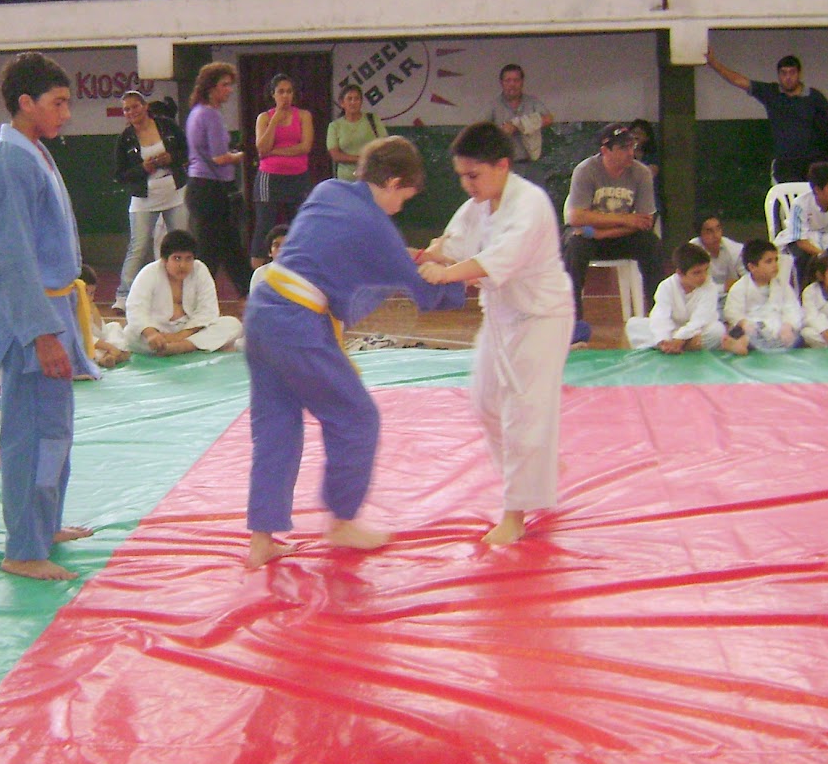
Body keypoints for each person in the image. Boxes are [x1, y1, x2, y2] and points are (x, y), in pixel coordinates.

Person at [244, 137, 466, 567]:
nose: (399, 208)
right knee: (356, 416)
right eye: (404, 197)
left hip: (263, 313)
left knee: (276, 426)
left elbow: (351, 251)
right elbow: (423, 290)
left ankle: (261, 539)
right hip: (297, 327)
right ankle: (343, 520)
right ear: (394, 182)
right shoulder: (376, 227)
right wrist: (461, 276)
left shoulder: (329, 190)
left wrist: (416, 255)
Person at [0, 53, 99, 581]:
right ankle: (22, 549)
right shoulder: (8, 162)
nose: (66, 113)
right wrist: (42, 334)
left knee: (55, 429)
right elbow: (9, 258)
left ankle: (44, 525)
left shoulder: (34, 153)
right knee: (29, 437)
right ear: (26, 103)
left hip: (54, 307)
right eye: (58, 103)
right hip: (31, 317)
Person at [413, 121, 574, 543]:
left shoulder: (530, 204)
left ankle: (515, 515)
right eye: (461, 176)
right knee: (485, 403)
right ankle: (537, 473)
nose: (467, 185)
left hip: (542, 317)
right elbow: (449, 244)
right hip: (501, 315)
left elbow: (496, 259)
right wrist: (417, 256)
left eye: (474, 175)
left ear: (502, 165)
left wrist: (446, 273)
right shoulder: (478, 205)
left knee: (523, 412)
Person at [562, 123, 660, 347]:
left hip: (612, 236)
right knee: (574, 247)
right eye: (623, 148)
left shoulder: (641, 173)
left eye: (632, 146)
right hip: (587, 237)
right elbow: (575, 217)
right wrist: (625, 219)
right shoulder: (586, 170)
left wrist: (601, 232)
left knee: (651, 244)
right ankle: (573, 324)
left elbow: (645, 221)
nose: (630, 153)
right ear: (605, 150)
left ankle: (658, 318)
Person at [704, 50, 828, 184]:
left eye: (792, 72)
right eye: (783, 73)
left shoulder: (814, 97)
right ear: (778, 75)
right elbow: (739, 81)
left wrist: (821, 133)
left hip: (813, 165)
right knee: (783, 197)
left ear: (799, 74)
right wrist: (713, 63)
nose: (788, 77)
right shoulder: (771, 93)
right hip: (784, 165)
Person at [113, 89, 189, 307]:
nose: (132, 112)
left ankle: (181, 290)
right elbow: (120, 175)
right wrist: (143, 168)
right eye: (126, 109)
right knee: (138, 246)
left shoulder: (167, 126)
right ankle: (124, 295)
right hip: (144, 198)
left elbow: (186, 151)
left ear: (145, 106)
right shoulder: (125, 139)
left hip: (174, 193)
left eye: (135, 106)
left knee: (180, 242)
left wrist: (171, 158)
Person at [183, 61, 251, 297]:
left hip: (201, 187)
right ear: (211, 88)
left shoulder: (196, 113)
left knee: (227, 245)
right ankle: (197, 297)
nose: (229, 90)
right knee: (211, 249)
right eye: (225, 85)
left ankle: (247, 289)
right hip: (211, 188)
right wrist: (242, 155)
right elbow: (220, 158)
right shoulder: (210, 115)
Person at [123, 229, 243, 355]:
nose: (183, 265)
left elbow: (207, 310)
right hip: (158, 330)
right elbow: (135, 308)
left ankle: (182, 347)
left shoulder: (200, 270)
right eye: (177, 258)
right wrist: (151, 334)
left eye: (188, 259)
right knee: (130, 334)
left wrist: (180, 336)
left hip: (189, 331)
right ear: (164, 259)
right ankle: (191, 346)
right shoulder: (149, 273)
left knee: (233, 324)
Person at [251, 73, 315, 268]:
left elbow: (305, 147)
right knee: (264, 225)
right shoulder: (264, 118)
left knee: (299, 224)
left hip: (298, 176)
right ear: (273, 94)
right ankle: (257, 274)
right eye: (281, 92)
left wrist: (275, 151)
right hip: (270, 177)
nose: (285, 96)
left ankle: (300, 269)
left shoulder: (303, 116)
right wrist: (275, 120)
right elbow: (262, 148)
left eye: (289, 92)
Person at [626, 241, 724, 352]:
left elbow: (701, 319)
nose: (703, 276)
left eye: (706, 270)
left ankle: (675, 347)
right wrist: (663, 339)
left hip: (697, 331)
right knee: (633, 325)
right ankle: (676, 346)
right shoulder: (666, 286)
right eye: (697, 273)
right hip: (672, 330)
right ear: (680, 273)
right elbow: (660, 316)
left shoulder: (710, 287)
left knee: (717, 331)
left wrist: (681, 337)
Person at [723, 238, 801, 353]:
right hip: (753, 327)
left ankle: (749, 343)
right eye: (769, 261)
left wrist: (788, 325)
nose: (775, 265)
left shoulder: (782, 285)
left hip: (779, 329)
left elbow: (792, 308)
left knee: (798, 336)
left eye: (776, 260)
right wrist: (744, 323)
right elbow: (732, 313)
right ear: (752, 267)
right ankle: (738, 343)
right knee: (740, 332)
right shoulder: (740, 287)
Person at [776, 160, 828, 283]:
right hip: (800, 242)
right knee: (804, 259)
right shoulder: (800, 205)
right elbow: (801, 241)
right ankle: (804, 290)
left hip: (826, 239)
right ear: (817, 190)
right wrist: (823, 255)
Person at [488, 63, 554, 181]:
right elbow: (480, 130)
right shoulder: (493, 105)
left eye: (516, 80)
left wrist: (520, 125)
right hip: (504, 166)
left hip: (532, 164)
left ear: (522, 82)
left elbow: (548, 119)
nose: (512, 84)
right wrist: (500, 132)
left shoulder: (532, 102)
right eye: (508, 80)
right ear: (501, 83)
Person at [325, 83, 384, 182]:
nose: (353, 102)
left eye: (357, 99)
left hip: (372, 177)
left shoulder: (373, 119)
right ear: (342, 103)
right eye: (349, 99)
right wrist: (363, 159)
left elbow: (384, 144)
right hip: (346, 180)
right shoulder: (334, 126)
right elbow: (335, 155)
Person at [694, 214, 744, 297]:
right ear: (700, 235)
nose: (716, 235)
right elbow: (693, 285)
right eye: (709, 231)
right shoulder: (693, 251)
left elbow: (748, 277)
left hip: (733, 295)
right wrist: (724, 287)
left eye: (718, 229)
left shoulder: (735, 249)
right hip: (703, 298)